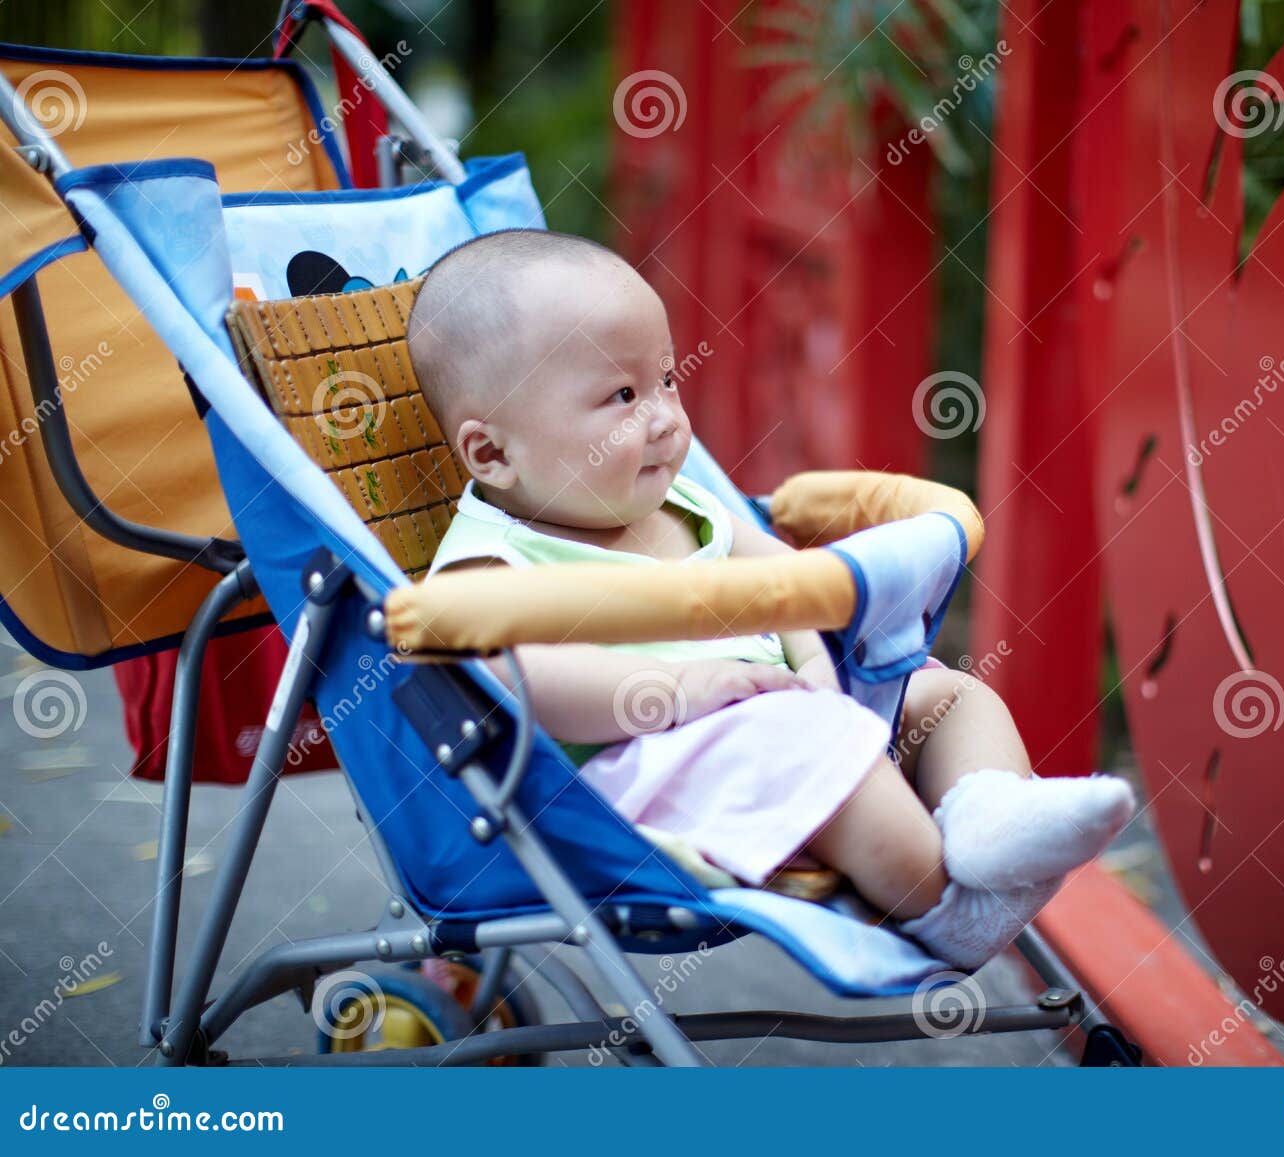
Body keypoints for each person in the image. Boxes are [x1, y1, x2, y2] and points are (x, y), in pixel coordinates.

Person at [405, 229, 1135, 969]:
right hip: (650, 781)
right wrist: (680, 689)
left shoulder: (685, 507)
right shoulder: (492, 563)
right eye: (623, 396)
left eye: (667, 380)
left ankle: (986, 815)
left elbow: (789, 588)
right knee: (808, 745)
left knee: (946, 695)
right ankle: (950, 910)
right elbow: (510, 672)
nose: (665, 416)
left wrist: (816, 668)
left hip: (783, 723)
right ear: (493, 453)